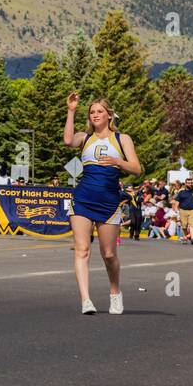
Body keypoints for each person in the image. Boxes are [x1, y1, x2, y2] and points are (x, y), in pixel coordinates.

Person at [63, 92, 142, 314]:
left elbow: (136, 168)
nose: (95, 115)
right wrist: (71, 111)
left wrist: (118, 161)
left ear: (109, 115)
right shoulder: (85, 137)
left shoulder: (121, 139)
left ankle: (115, 292)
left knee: (108, 254)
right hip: (83, 199)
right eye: (92, 112)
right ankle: (86, 300)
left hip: (108, 201)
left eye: (99, 111)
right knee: (82, 249)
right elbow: (68, 141)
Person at [176, 178, 193, 244]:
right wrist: (176, 209)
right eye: (189, 183)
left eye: (191, 183)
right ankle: (186, 236)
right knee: (184, 226)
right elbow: (177, 201)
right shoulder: (181, 192)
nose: (190, 184)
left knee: (192, 225)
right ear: (186, 184)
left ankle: (192, 238)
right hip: (183, 210)